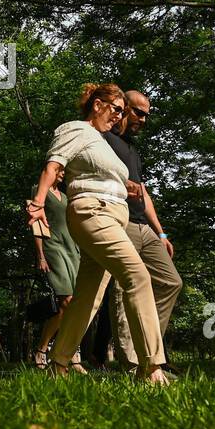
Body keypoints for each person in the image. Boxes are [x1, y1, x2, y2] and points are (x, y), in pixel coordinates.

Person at [28, 83, 170, 384]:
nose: (119, 117)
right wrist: (39, 203)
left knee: (87, 297)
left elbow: (101, 173)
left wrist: (127, 188)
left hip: (113, 215)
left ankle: (59, 363)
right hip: (93, 212)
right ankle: (150, 367)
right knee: (137, 276)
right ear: (97, 105)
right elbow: (54, 165)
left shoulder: (103, 143)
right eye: (117, 109)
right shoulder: (76, 130)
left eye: (123, 112)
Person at [101, 89, 184, 372]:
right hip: (118, 221)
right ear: (123, 109)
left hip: (143, 227)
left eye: (147, 114)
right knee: (124, 289)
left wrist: (161, 233)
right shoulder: (104, 139)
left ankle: (149, 348)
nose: (144, 119)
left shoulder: (133, 149)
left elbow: (144, 192)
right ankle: (132, 363)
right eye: (139, 112)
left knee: (171, 282)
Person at [30, 174, 85, 371]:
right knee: (66, 300)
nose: (62, 173)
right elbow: (36, 223)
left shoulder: (66, 196)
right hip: (53, 247)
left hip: (73, 249)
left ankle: (67, 352)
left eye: (64, 171)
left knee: (74, 304)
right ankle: (42, 349)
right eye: (59, 170)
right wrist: (41, 255)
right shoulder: (39, 189)